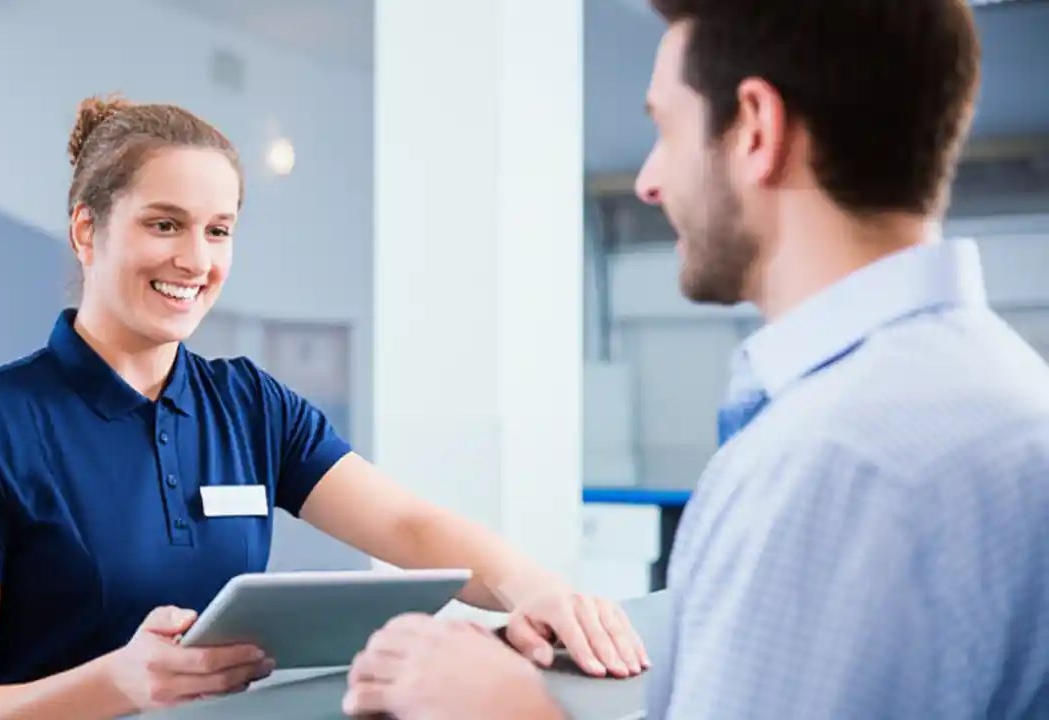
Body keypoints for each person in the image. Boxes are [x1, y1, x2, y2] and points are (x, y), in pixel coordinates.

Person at [342, 1, 1049, 718]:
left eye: (664, 129)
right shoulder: (1003, 386)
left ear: (755, 129)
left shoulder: (837, 466)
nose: (649, 181)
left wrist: (499, 706)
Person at [0, 94, 650, 719]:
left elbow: (409, 527)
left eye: (219, 230)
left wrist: (534, 587)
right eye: (165, 224)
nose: (196, 260)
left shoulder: (249, 404)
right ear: (87, 228)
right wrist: (122, 682)